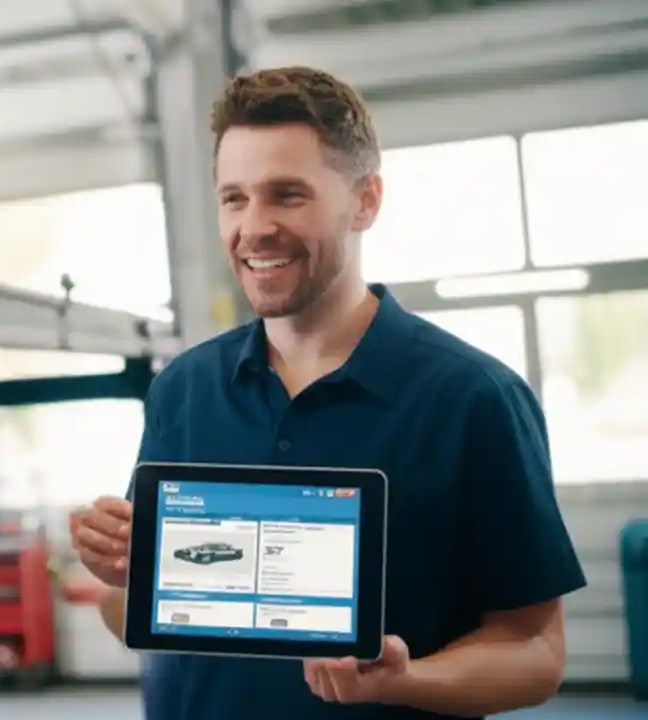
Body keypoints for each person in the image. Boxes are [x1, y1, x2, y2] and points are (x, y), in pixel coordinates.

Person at [70, 66, 587, 719]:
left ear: (365, 201)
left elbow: (536, 649)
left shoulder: (473, 399)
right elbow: (139, 624)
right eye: (234, 198)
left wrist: (405, 680)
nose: (253, 227)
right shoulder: (184, 390)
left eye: (287, 195)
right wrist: (121, 576)